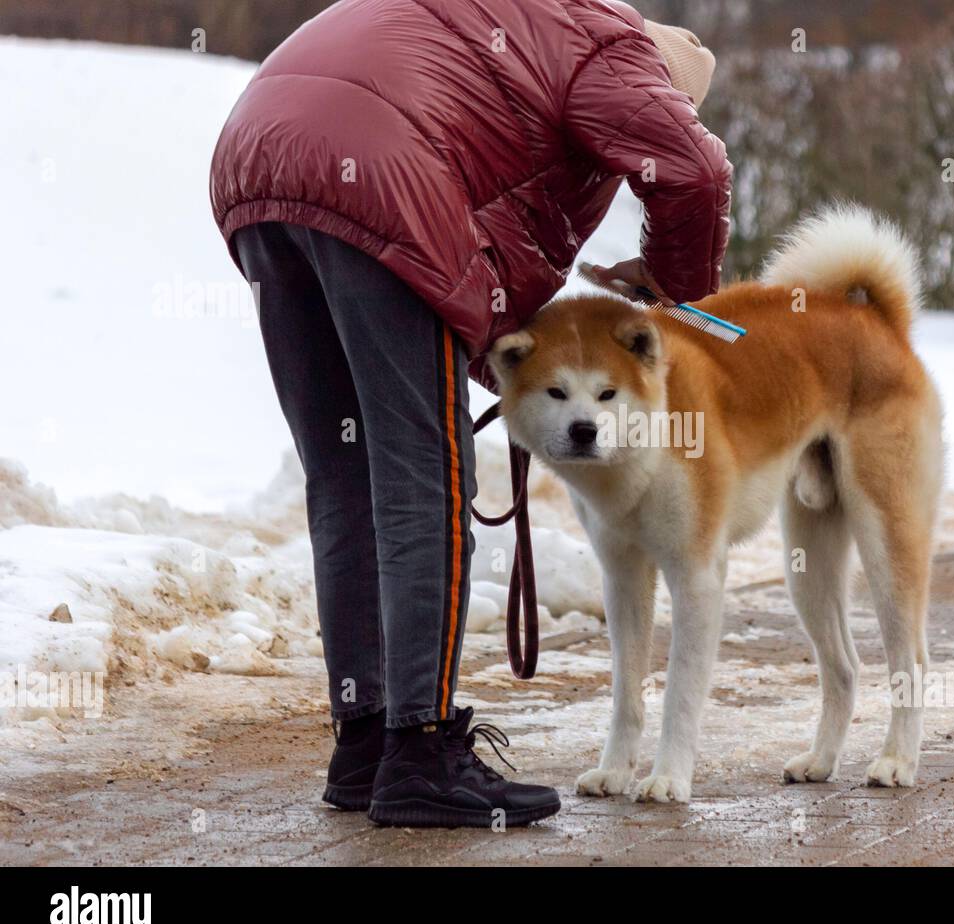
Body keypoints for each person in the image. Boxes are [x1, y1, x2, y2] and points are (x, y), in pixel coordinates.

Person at [209, 0, 731, 828]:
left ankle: (366, 739)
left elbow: (479, 241)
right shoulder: (618, 44)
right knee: (428, 480)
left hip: (258, 162)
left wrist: (509, 366)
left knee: (345, 478)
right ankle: (419, 753)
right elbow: (693, 174)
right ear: (669, 80)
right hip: (380, 177)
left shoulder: (519, 35)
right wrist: (676, 285)